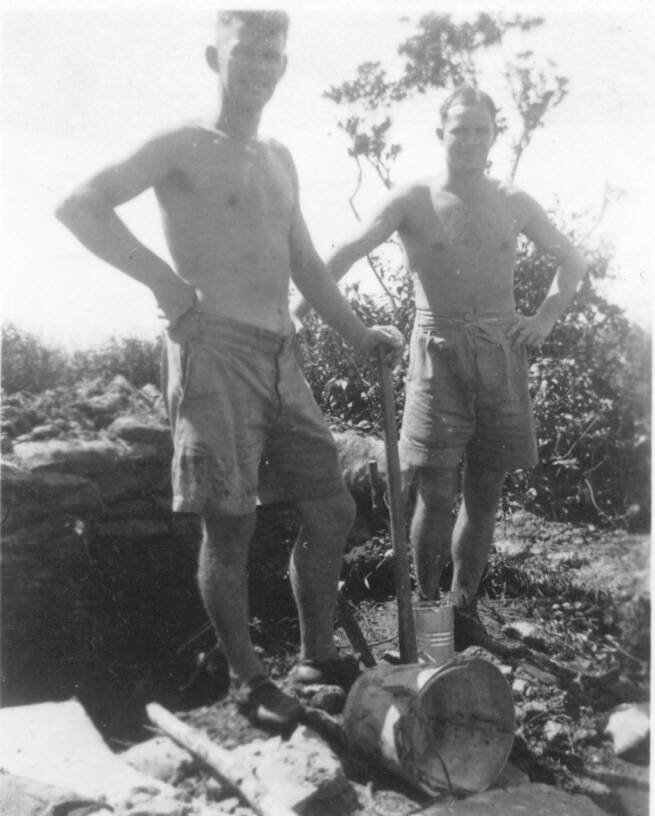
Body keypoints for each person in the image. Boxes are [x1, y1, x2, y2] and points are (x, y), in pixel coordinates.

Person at [55, 9, 402, 731]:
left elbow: (304, 263)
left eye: (271, 54)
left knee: (333, 509)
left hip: (283, 355)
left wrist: (357, 329)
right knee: (231, 526)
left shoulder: (278, 155)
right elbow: (80, 205)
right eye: (245, 53)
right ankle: (247, 681)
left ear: (283, 64)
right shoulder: (182, 143)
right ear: (215, 56)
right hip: (214, 351)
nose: (258, 66)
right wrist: (163, 283)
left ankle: (312, 656)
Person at [293, 84, 586, 644]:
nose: (471, 140)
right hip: (438, 350)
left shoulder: (515, 200)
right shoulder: (412, 198)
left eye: (482, 130)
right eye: (460, 130)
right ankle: (428, 611)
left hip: (503, 351)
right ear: (441, 134)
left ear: (494, 135)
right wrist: (299, 312)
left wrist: (545, 318)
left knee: (485, 492)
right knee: (435, 493)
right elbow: (348, 250)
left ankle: (464, 606)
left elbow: (570, 259)